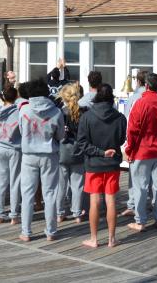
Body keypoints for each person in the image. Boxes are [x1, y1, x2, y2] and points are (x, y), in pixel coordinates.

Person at [76, 83, 127, 248]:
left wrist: (99, 152)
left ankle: (94, 238)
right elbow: (120, 140)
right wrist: (106, 151)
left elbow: (82, 144)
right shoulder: (120, 118)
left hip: (93, 163)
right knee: (111, 200)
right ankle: (112, 239)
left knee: (95, 201)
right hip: (112, 163)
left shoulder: (86, 117)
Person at [125, 72, 157, 231]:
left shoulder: (140, 103)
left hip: (142, 150)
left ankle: (140, 221)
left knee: (140, 186)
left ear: (146, 85)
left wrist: (129, 149)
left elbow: (132, 129)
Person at [19, 78, 64, 242]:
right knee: (50, 193)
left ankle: (26, 231)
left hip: (29, 155)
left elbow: (21, 130)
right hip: (49, 154)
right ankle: (51, 231)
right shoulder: (56, 112)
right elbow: (61, 135)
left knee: (28, 193)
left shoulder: (24, 111)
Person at [0, 85, 22, 224]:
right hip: (15, 148)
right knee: (15, 181)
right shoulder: (19, 112)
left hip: (0, 147)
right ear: (16, 96)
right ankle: (14, 214)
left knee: (0, 181)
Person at [57, 83, 87, 223]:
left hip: (63, 150)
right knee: (77, 184)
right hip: (78, 150)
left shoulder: (60, 113)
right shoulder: (84, 112)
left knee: (61, 184)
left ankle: (60, 212)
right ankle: (77, 213)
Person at [120, 69, 147, 217]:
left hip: (135, 139)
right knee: (148, 174)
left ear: (138, 81)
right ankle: (145, 201)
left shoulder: (133, 98)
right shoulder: (154, 97)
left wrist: (127, 140)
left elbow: (127, 119)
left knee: (134, 173)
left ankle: (132, 203)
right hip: (150, 140)